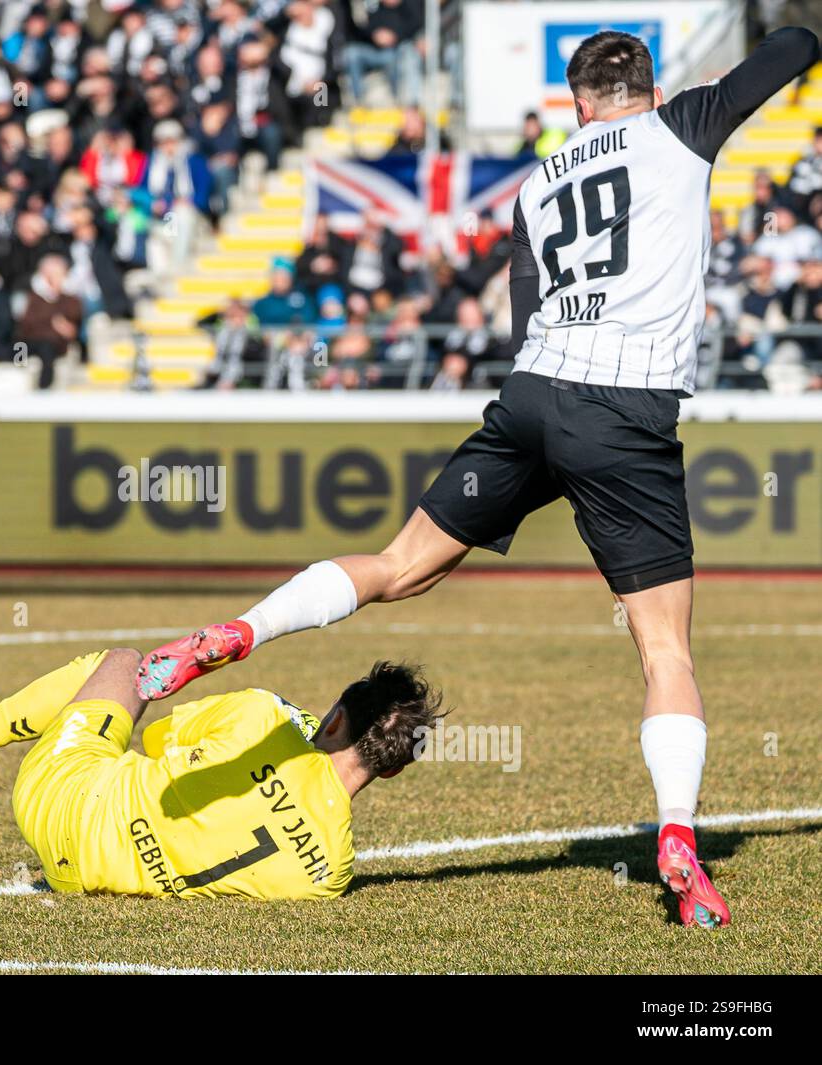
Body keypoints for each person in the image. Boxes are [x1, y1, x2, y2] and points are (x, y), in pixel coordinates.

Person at [135, 26, 822, 930]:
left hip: (533, 395)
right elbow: (796, 43)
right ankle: (680, 836)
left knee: (397, 564)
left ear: (574, 107)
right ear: (650, 92)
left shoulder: (540, 182)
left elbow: (522, 315)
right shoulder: (682, 125)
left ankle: (235, 631)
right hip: (626, 408)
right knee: (666, 651)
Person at [0, 648, 442, 899]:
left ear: (337, 715)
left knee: (122, 664)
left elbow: (154, 737)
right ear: (392, 771)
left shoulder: (263, 716)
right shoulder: (333, 871)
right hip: (83, 879)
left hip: (58, 798)